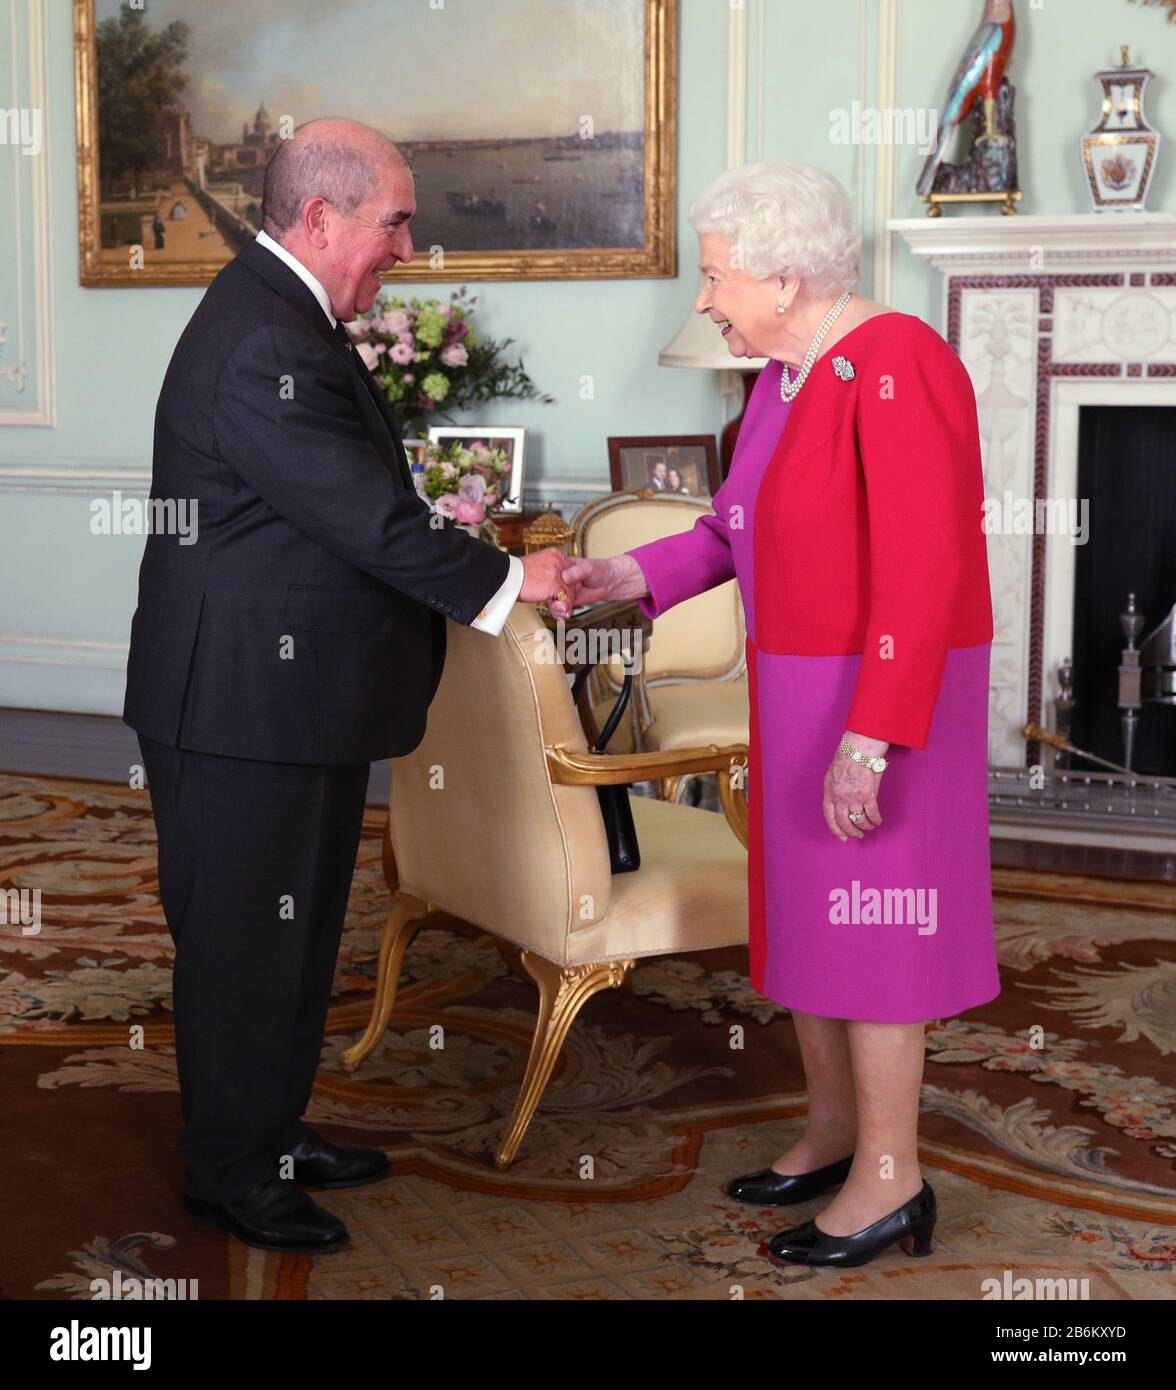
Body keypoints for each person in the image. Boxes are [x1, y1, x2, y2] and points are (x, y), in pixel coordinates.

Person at [123, 117, 576, 1256]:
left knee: (293, 937)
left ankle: (266, 1135)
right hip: (238, 708)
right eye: (395, 222)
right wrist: (517, 578)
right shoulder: (265, 341)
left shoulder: (285, 316)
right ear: (320, 218)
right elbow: (368, 522)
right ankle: (231, 1170)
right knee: (243, 949)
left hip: (285, 701)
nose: (407, 248)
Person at [561, 161, 997, 1270]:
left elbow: (923, 564)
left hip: (885, 694)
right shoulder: (784, 377)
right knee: (812, 922)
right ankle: (837, 1131)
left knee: (880, 931)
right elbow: (729, 527)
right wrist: (631, 578)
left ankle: (894, 1179)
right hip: (802, 689)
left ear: (788, 276)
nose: (705, 299)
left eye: (716, 276)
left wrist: (872, 733)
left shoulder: (897, 360)